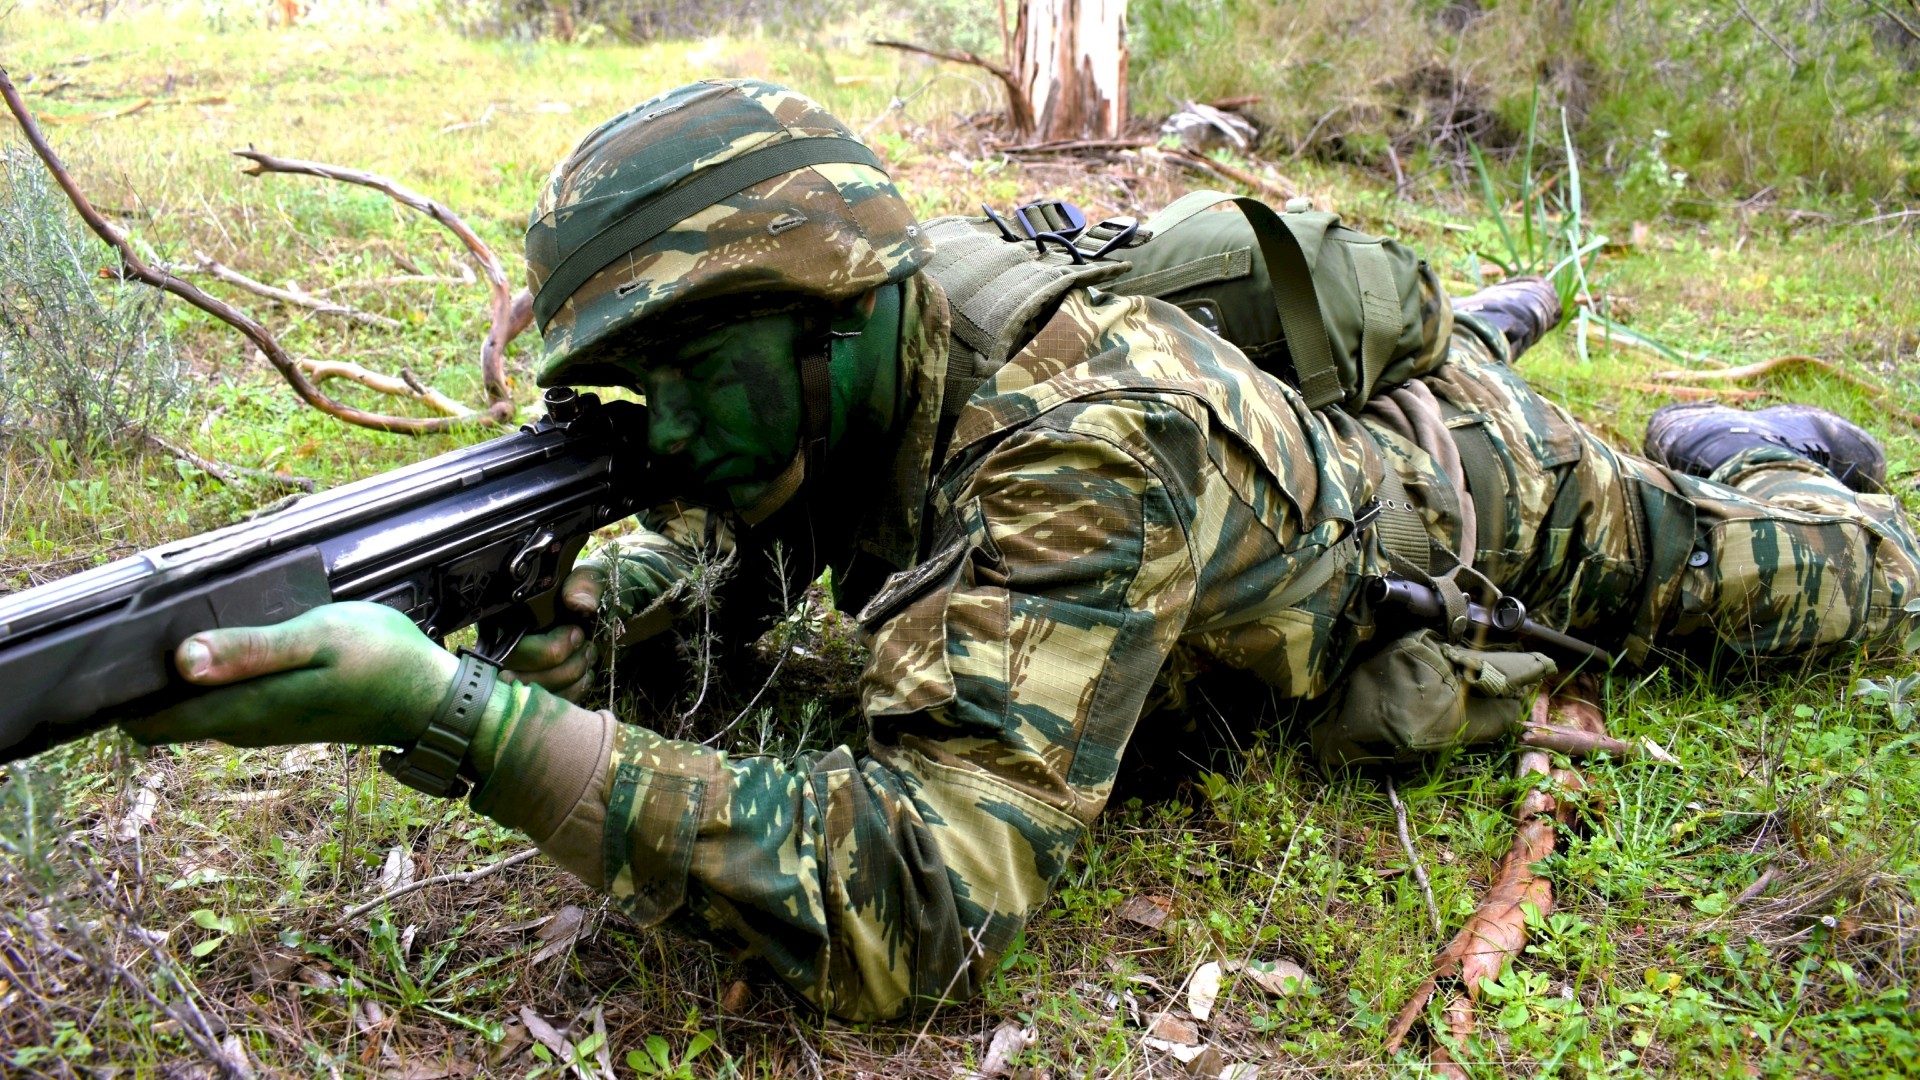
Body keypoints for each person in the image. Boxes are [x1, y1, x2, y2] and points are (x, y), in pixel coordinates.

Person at [125, 79, 1920, 1021]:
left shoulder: (1084, 443)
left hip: (1460, 495)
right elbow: (742, 587)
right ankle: (1526, 331)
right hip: (1252, 454)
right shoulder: (845, 376)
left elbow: (922, 903)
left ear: (824, 311)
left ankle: (1759, 452)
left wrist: (476, 729)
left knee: (1832, 580)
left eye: (682, 376)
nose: (653, 432)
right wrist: (577, 613)